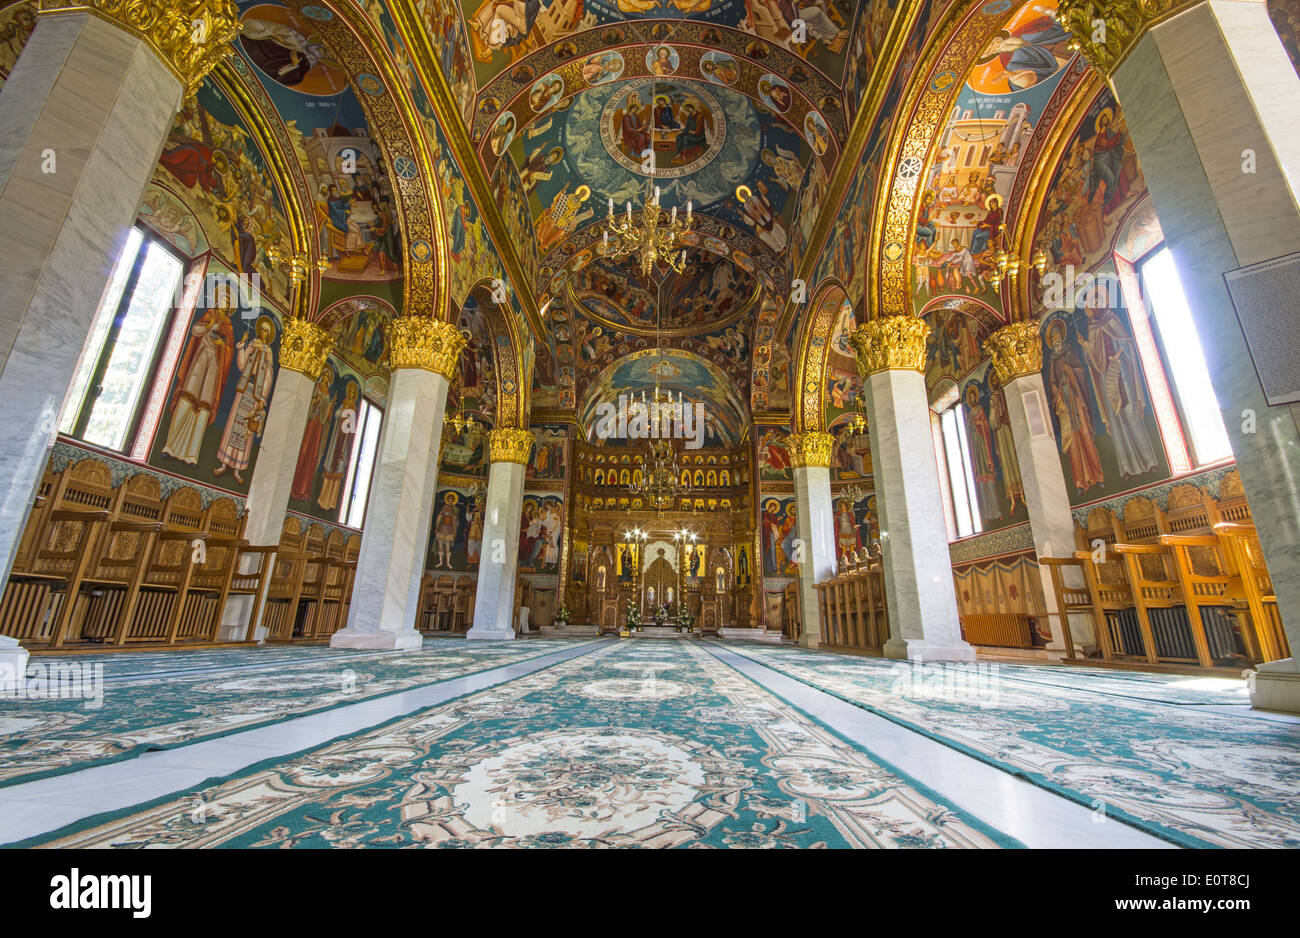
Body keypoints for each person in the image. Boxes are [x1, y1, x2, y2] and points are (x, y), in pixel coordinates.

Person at [162, 304, 234, 465]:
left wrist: (223, 344)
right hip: (201, 357)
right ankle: (170, 446)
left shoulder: (227, 325)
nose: (225, 304)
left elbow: (229, 349)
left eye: (228, 302)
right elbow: (195, 330)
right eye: (223, 300)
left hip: (214, 364)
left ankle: (192, 455)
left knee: (204, 407)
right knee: (187, 398)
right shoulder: (210, 313)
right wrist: (208, 326)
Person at [214, 317, 275, 485]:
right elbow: (241, 365)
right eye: (261, 329)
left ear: (269, 335)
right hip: (244, 387)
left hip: (256, 394)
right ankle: (224, 463)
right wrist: (241, 347)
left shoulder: (268, 351)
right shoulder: (253, 344)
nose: (263, 332)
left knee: (247, 430)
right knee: (234, 422)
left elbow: (269, 374)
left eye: (266, 331)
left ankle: (238, 469)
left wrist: (263, 398)